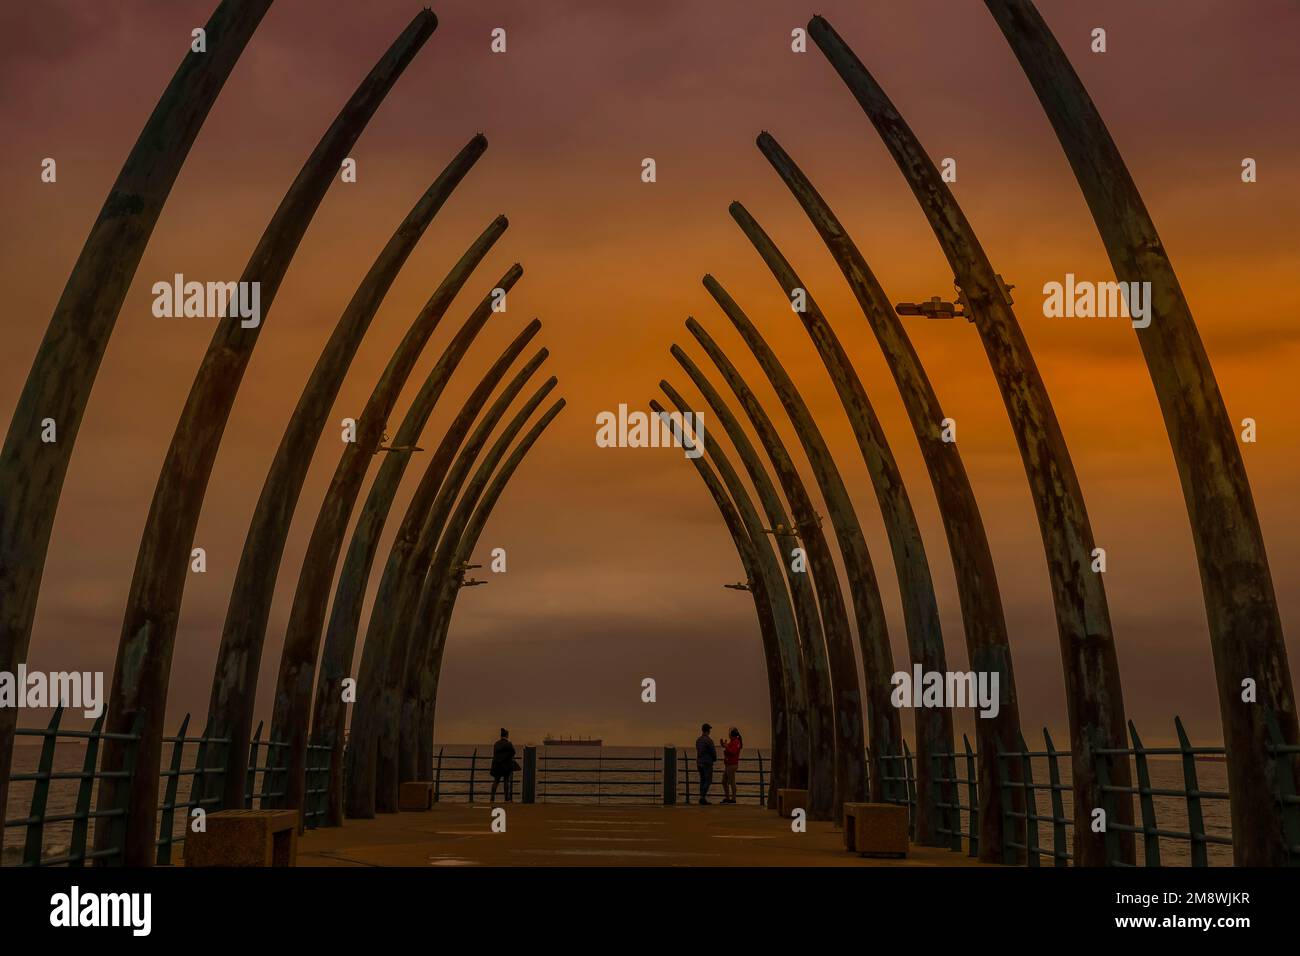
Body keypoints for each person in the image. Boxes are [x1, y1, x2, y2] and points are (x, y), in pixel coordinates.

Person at [490, 728, 517, 802]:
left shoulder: (496, 744)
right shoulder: (508, 744)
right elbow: (513, 752)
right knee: (506, 781)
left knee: (496, 781)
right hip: (505, 765)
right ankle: (506, 798)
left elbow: (495, 754)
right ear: (507, 735)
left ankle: (492, 798)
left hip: (497, 765)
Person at [695, 722, 717, 805]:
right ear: (708, 730)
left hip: (699, 762)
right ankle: (702, 797)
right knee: (708, 780)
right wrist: (714, 759)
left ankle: (702, 797)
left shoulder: (698, 740)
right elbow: (713, 751)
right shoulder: (709, 740)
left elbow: (698, 751)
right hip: (707, 763)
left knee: (702, 780)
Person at [722, 727, 743, 803]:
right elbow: (728, 748)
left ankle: (733, 798)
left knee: (731, 781)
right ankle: (727, 797)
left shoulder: (736, 742)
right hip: (728, 764)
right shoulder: (732, 742)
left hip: (732, 764)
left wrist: (726, 747)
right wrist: (724, 745)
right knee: (724, 781)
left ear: (731, 734)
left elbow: (733, 752)